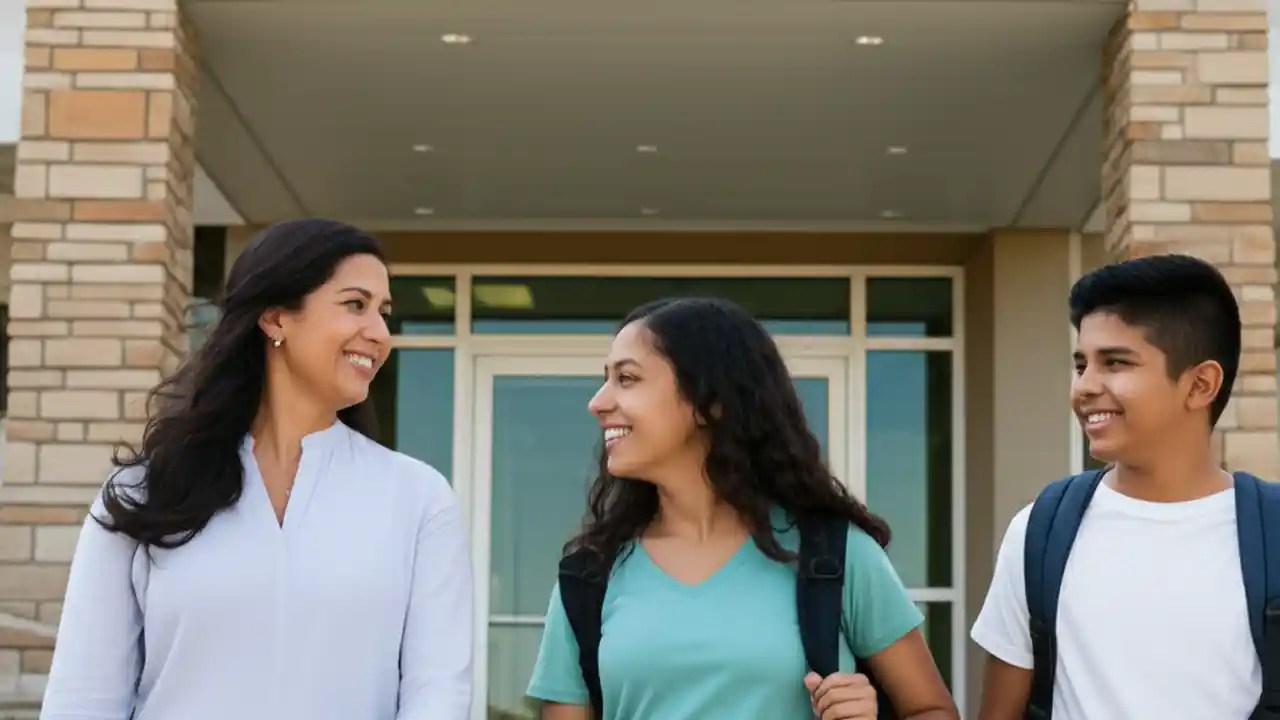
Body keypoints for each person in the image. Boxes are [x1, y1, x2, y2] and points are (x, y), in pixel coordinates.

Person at [40, 219, 473, 720]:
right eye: (355, 304)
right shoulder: (145, 493)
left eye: (384, 312)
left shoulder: (417, 498)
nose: (378, 333)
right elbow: (83, 698)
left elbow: (438, 695)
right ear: (275, 318)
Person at [526, 297, 958, 720]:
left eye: (627, 379)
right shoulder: (588, 576)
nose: (598, 402)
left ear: (709, 402)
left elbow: (933, 710)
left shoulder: (835, 556)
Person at [971, 253, 1264, 719]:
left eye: (1116, 363)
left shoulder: (1270, 537)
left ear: (1201, 385)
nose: (1085, 386)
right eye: (1081, 363)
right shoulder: (1041, 532)